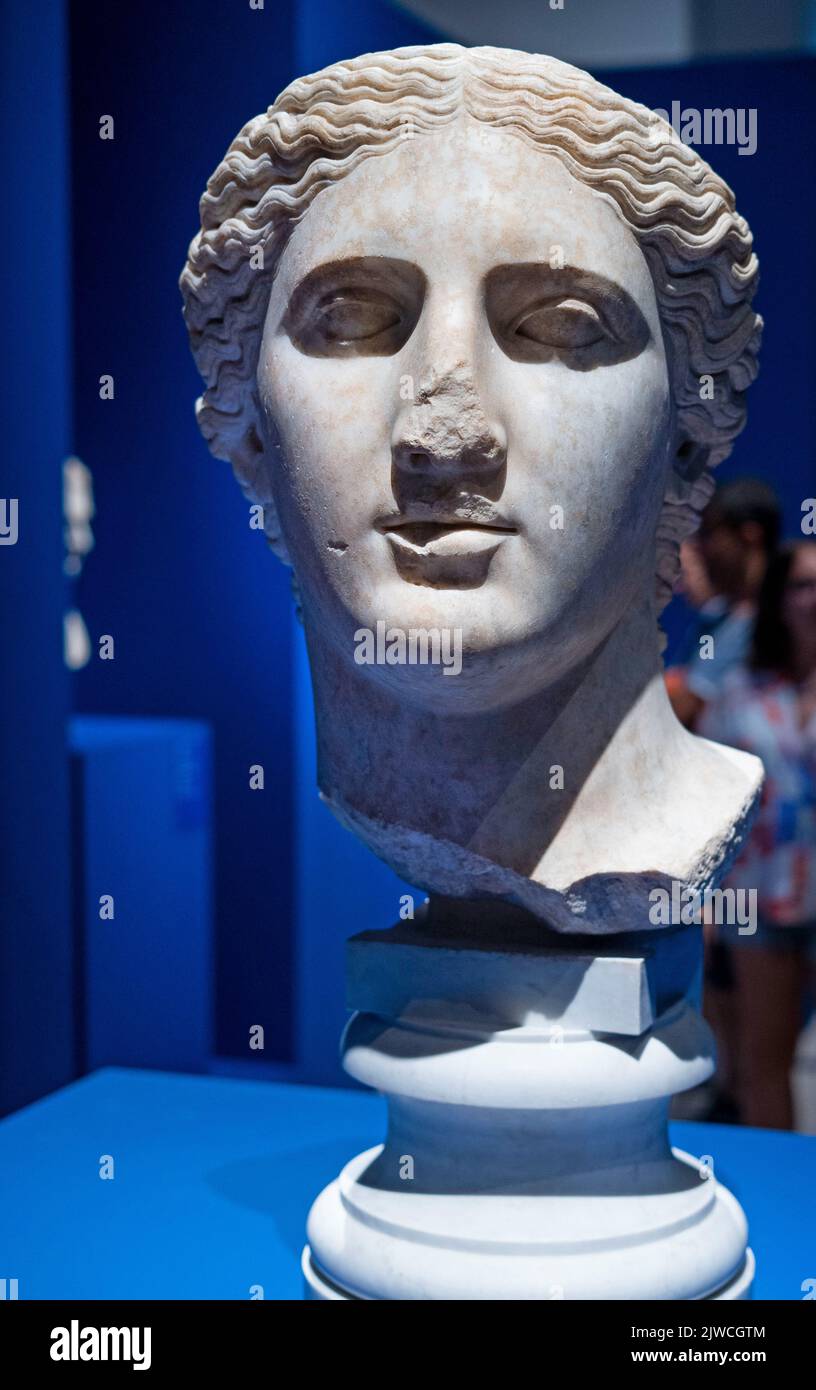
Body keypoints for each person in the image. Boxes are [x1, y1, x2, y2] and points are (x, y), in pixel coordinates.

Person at [698, 540, 816, 1128]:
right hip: (762, 896)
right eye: (802, 585)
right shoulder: (742, 690)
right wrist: (710, 903)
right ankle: (788, 1199)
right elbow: (714, 801)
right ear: (780, 599)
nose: (814, 599)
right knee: (764, 1061)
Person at [668, 479, 781, 729]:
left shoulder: (776, 617)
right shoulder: (720, 615)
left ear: (750, 535)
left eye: (708, 532)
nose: (699, 548)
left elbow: (684, 708)